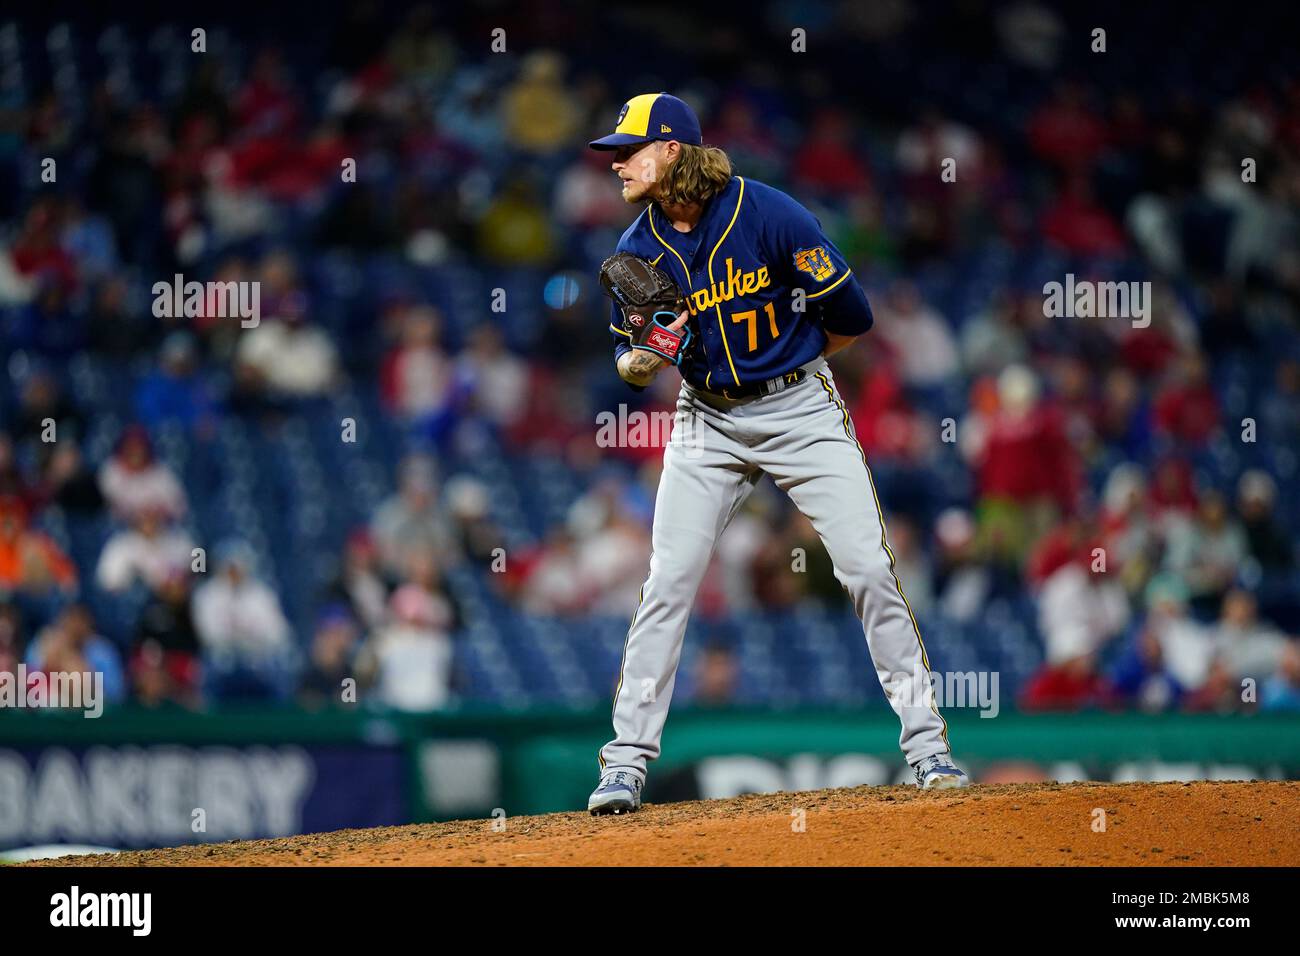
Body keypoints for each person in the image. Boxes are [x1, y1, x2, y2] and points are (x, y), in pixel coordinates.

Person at [584, 93, 966, 815]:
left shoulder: (769, 213)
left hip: (798, 407)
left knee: (868, 571)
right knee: (666, 582)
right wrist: (638, 362)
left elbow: (851, 317)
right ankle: (625, 765)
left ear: (670, 151)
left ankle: (928, 749)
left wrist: (792, 366)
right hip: (705, 419)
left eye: (627, 150)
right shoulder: (636, 249)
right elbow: (638, 345)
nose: (616, 164)